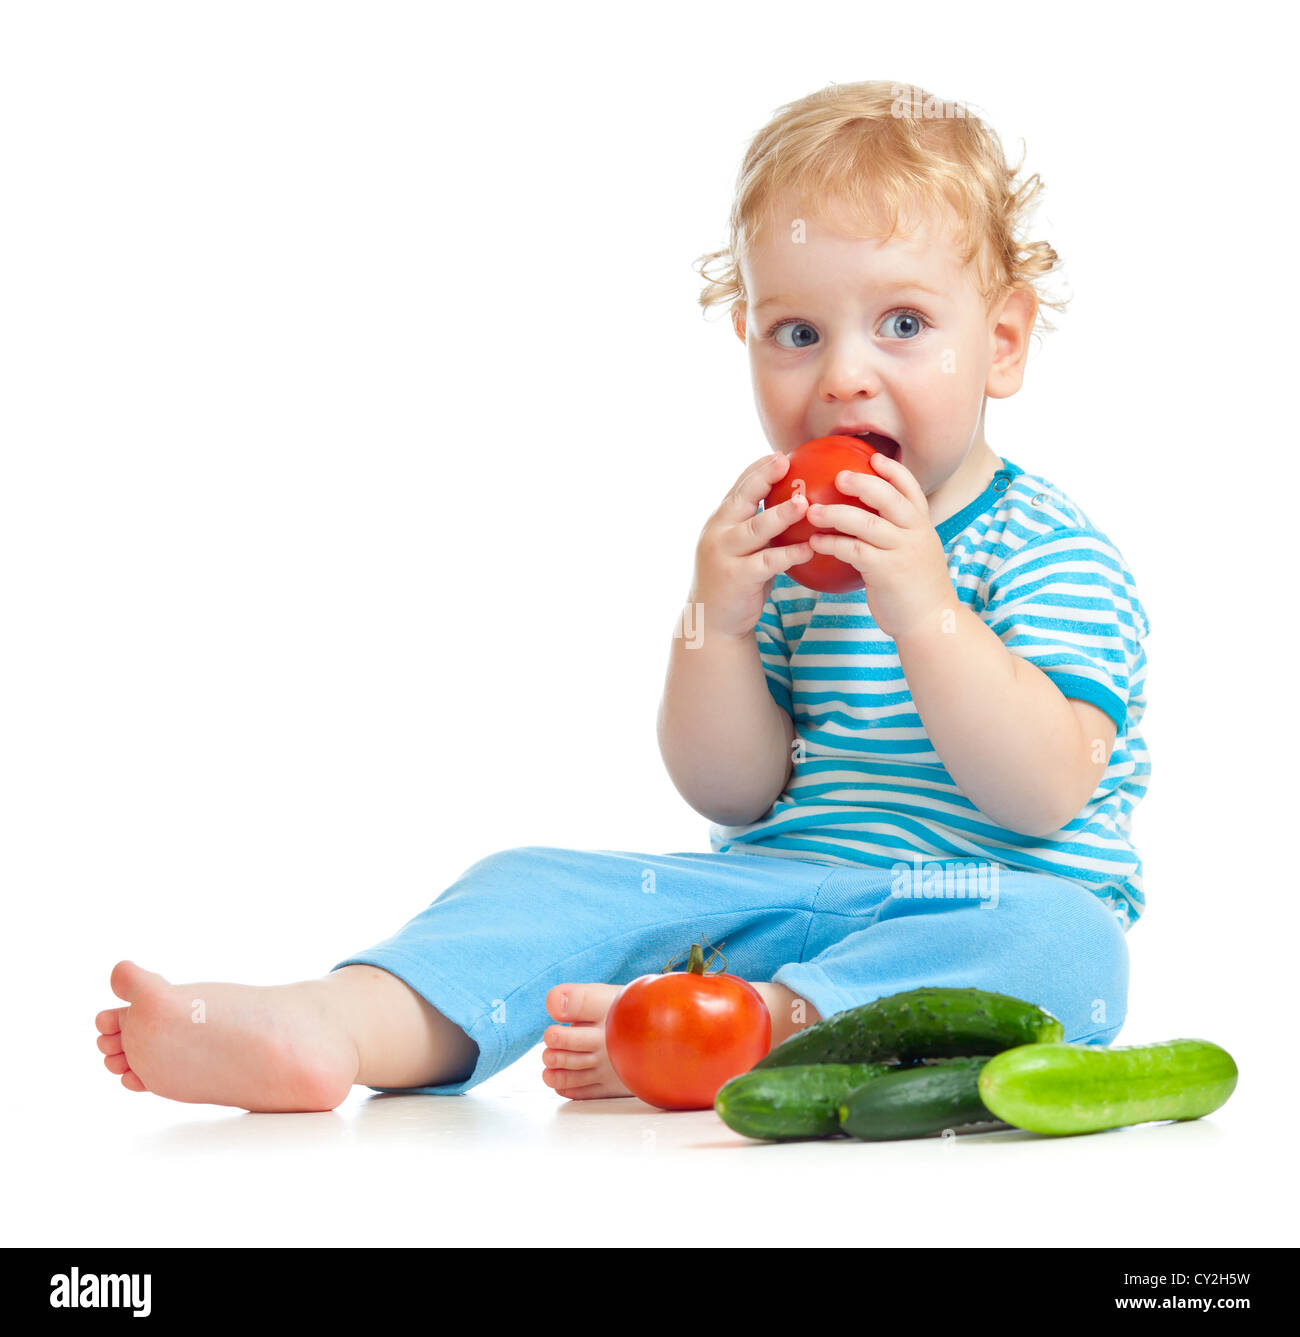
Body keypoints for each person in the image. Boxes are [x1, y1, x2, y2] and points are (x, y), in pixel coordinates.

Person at [95, 79, 1149, 1113]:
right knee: (529, 879)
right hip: (769, 893)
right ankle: (340, 1021)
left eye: (905, 324)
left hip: (968, 908)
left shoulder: (1047, 549)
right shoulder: (777, 550)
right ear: (748, 335)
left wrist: (925, 611)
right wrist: (720, 623)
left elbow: (1044, 791)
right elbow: (729, 792)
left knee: (1067, 943)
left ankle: (745, 1024)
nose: (842, 377)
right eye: (796, 333)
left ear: (1002, 341)